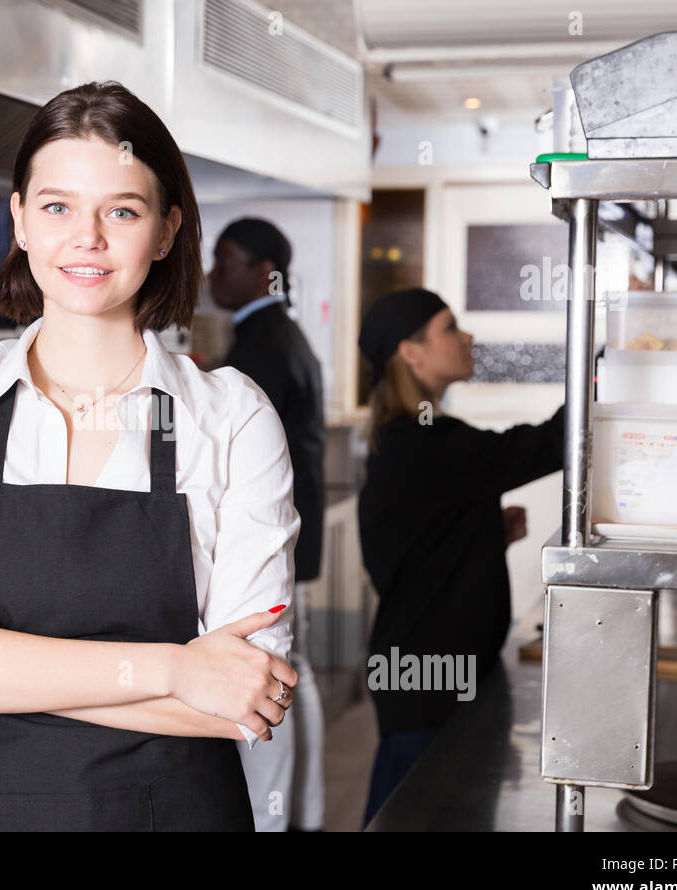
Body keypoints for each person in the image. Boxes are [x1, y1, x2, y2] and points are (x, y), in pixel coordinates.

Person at [0, 81, 301, 832]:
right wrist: (175, 669)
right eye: (57, 206)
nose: (86, 239)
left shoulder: (232, 415)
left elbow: (246, 697)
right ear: (20, 221)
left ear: (166, 231)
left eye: (122, 211)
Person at [356, 288, 562, 827]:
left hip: (426, 673)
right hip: (425, 679)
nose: (467, 337)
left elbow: (415, 546)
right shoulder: (425, 442)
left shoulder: (412, 440)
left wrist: (482, 532)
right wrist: (617, 357)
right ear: (412, 351)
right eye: (450, 327)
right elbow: (551, 444)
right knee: (413, 817)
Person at [209, 218, 326, 832]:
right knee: (291, 680)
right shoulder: (285, 333)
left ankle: (273, 820)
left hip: (272, 545)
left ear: (262, 271)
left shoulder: (259, 343)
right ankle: (302, 813)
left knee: (266, 683)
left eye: (225, 261)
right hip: (293, 542)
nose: (211, 274)